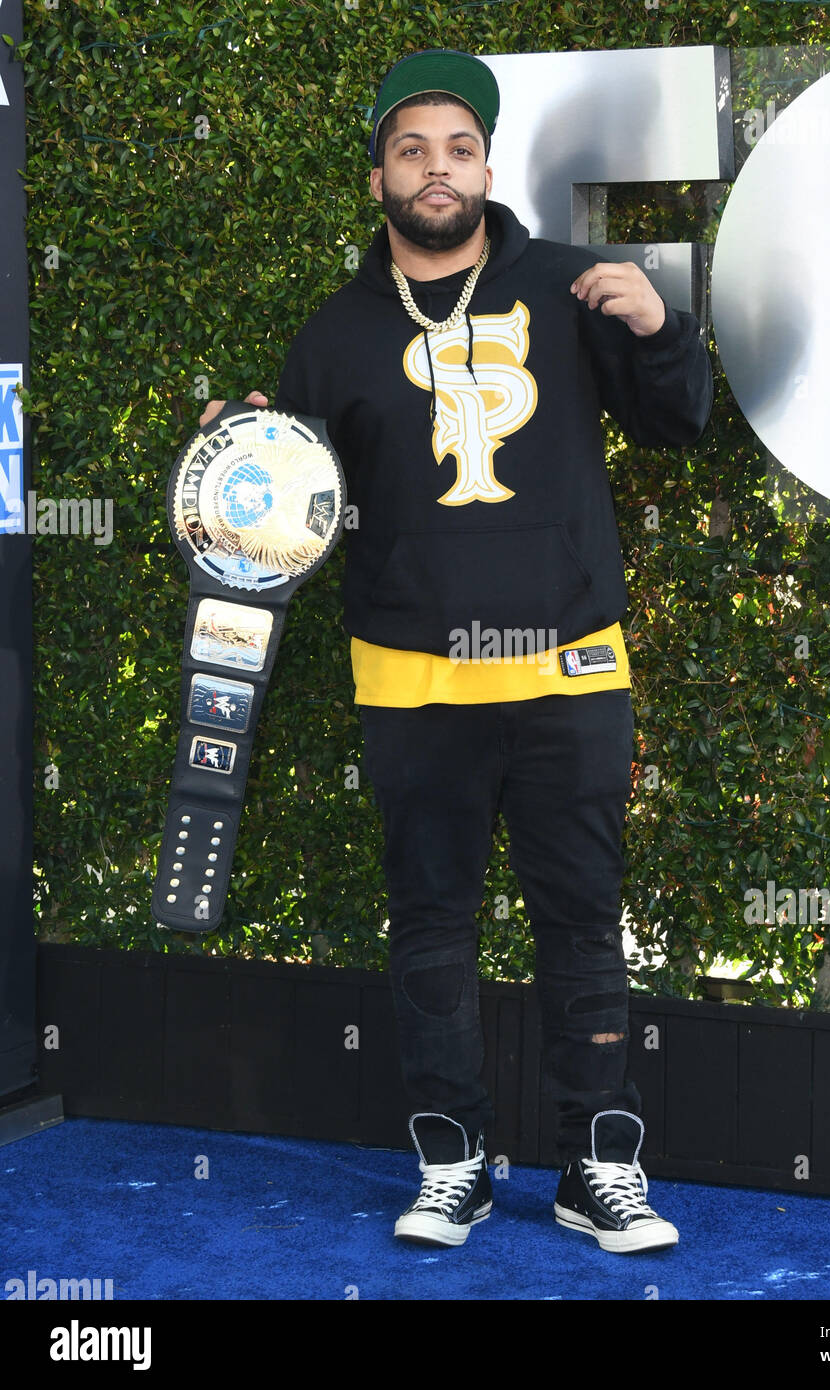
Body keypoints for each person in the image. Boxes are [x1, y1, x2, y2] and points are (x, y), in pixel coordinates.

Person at [201, 48, 713, 1254]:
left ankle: (599, 1168)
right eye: (413, 150)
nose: (439, 170)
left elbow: (677, 425)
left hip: (569, 667)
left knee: (582, 922)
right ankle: (455, 1162)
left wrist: (661, 325)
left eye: (461, 147)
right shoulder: (331, 337)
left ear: (487, 162)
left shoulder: (579, 283)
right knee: (430, 924)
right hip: (409, 678)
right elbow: (291, 519)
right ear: (377, 174)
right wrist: (239, 464)